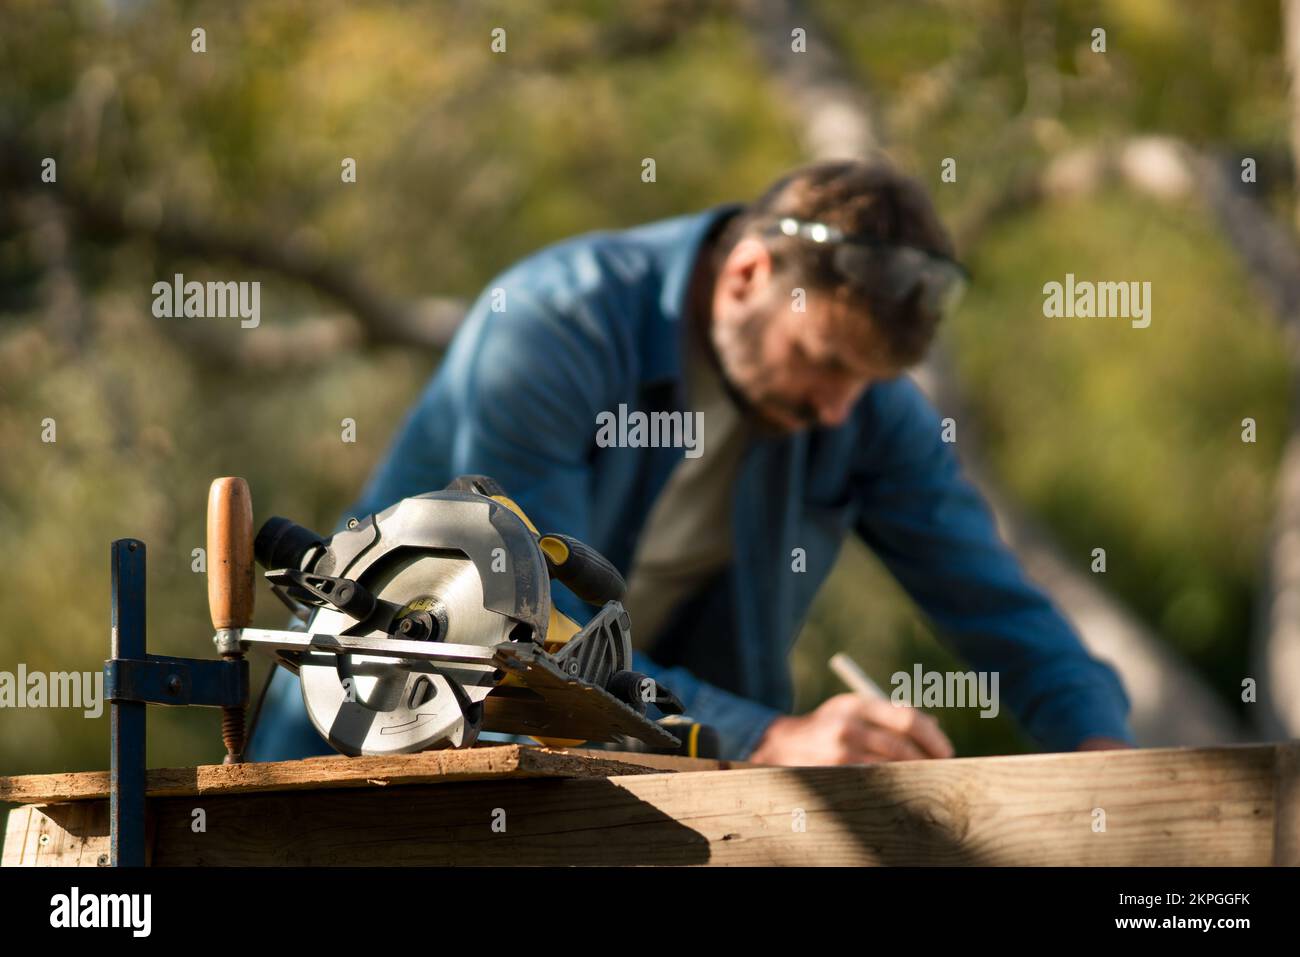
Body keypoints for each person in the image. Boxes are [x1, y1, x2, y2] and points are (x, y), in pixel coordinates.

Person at [247, 159, 1134, 765]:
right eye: (825, 362)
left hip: (652, 787)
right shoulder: (553, 326)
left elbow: (998, 605)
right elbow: (534, 623)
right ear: (749, 273)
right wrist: (772, 739)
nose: (839, 410)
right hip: (380, 756)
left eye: (868, 382)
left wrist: (1102, 755)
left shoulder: (862, 404)